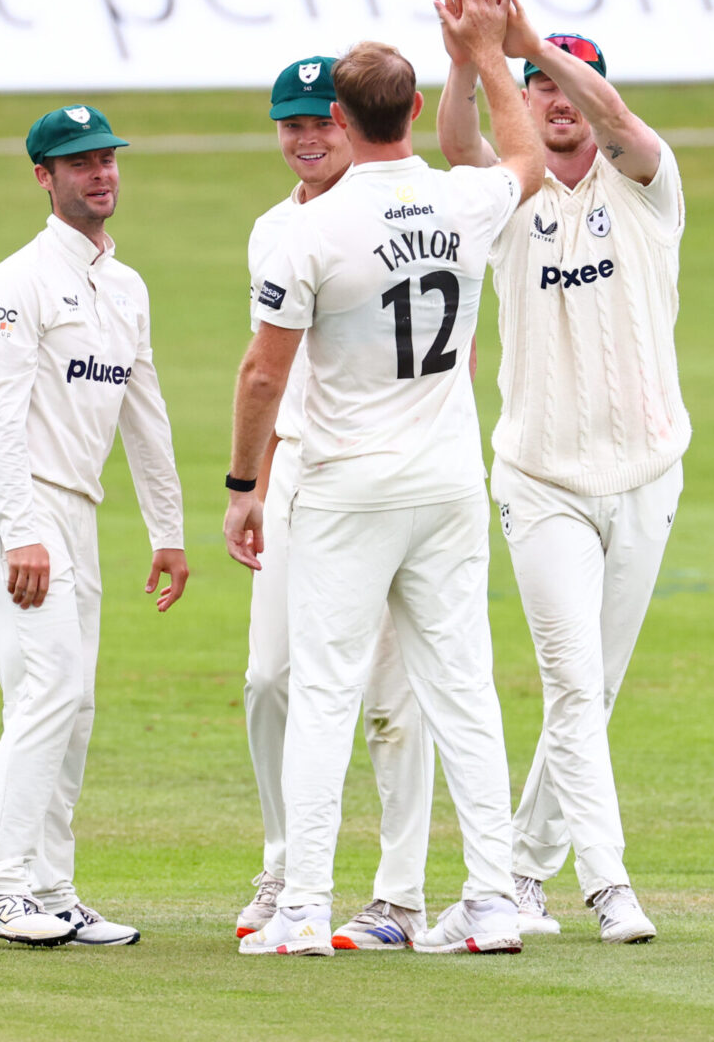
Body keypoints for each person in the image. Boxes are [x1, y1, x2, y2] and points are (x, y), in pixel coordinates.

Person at [224, 0, 544, 956]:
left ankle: (303, 907)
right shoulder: (462, 198)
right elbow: (525, 153)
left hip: (347, 481)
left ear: (340, 118)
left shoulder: (309, 230)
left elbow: (262, 374)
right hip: (446, 480)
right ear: (413, 109)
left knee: (324, 693)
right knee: (465, 688)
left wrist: (241, 485)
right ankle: (492, 899)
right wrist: (483, 56)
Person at [435, 0, 685, 943]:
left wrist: (533, 46)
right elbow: (459, 142)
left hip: (647, 471)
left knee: (596, 690)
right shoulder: (508, 194)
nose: (557, 103)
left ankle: (517, 872)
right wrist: (471, 60)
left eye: (569, 86)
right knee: (574, 684)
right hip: (541, 481)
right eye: (539, 92)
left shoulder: (646, 185)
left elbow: (618, 121)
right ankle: (610, 885)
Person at [0, 103, 187, 949]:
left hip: (75, 510)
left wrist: (168, 529)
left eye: (107, 159)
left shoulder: (126, 286)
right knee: (50, 689)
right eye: (80, 163)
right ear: (43, 178)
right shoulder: (12, 285)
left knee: (70, 704)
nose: (101, 174)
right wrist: (22, 530)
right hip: (14, 505)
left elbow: (144, 415)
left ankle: (50, 889)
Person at [234, 56, 437, 951]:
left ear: (352, 123)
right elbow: (268, 366)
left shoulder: (402, 212)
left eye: (321, 121)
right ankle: (285, 867)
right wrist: (251, 482)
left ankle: (400, 893)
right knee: (271, 678)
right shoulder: (273, 229)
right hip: (299, 472)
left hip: (392, 475)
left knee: (394, 695)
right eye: (292, 124)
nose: (307, 138)